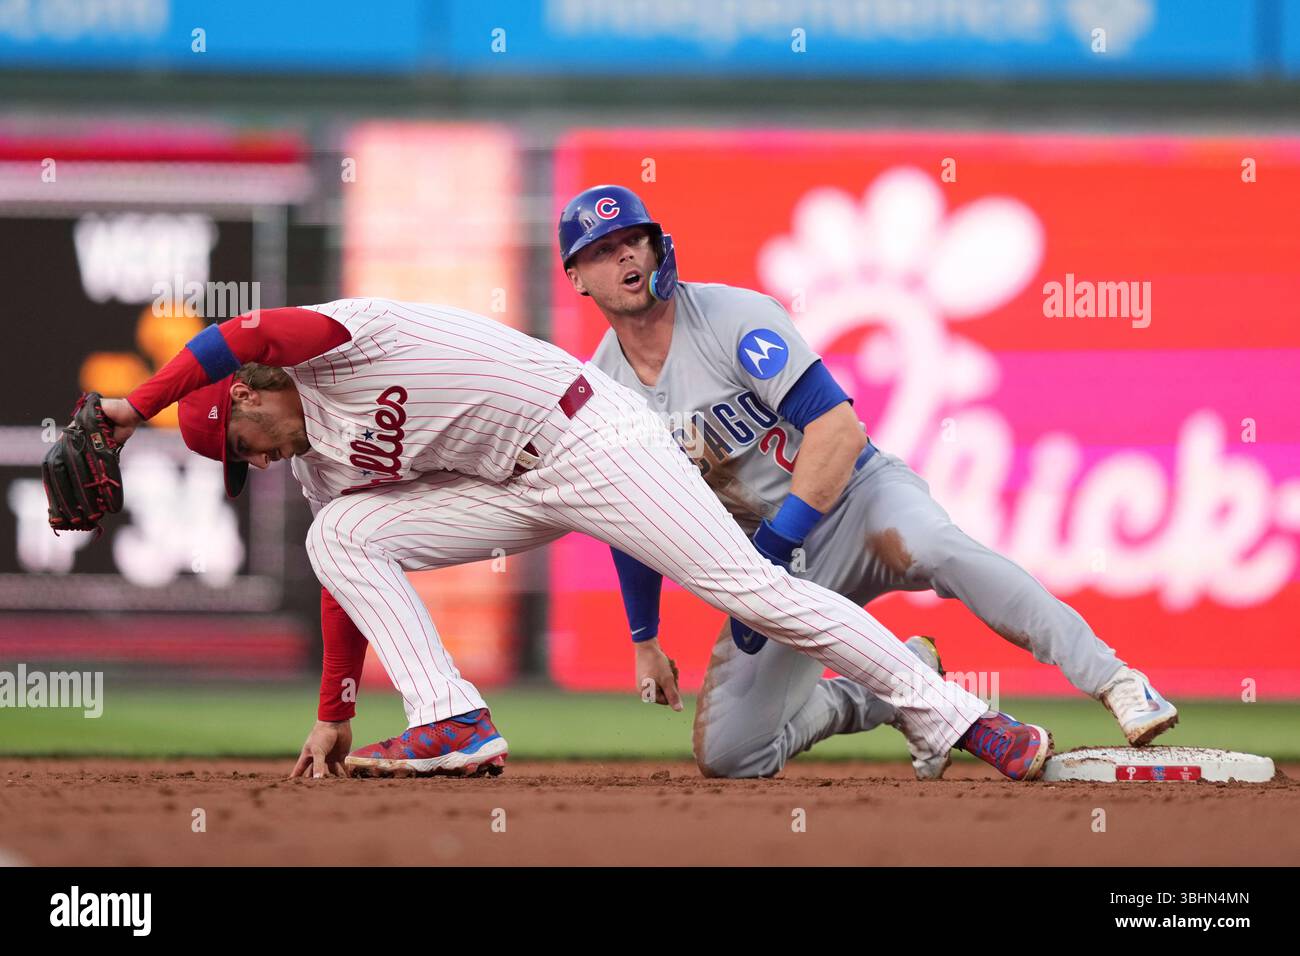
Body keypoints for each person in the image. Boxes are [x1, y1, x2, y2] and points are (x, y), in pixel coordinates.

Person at [94, 297, 1051, 783]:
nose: (252, 464)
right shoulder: (317, 466)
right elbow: (348, 584)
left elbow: (242, 333)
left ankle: (957, 718)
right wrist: (336, 709)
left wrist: (134, 409)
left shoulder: (333, 340)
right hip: (519, 486)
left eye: (241, 444)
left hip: (592, 430)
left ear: (254, 393)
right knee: (339, 535)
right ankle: (454, 718)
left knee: (756, 593)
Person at [558, 184, 1177, 780]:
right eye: (601, 252)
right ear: (578, 279)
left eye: (631, 240)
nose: (624, 257)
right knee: (730, 754)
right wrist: (645, 637)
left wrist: (769, 554)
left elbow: (839, 432)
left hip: (858, 501)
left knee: (942, 550)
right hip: (784, 567)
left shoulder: (733, 317)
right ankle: (889, 690)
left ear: (657, 246)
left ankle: (1115, 680)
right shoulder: (606, 389)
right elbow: (628, 510)